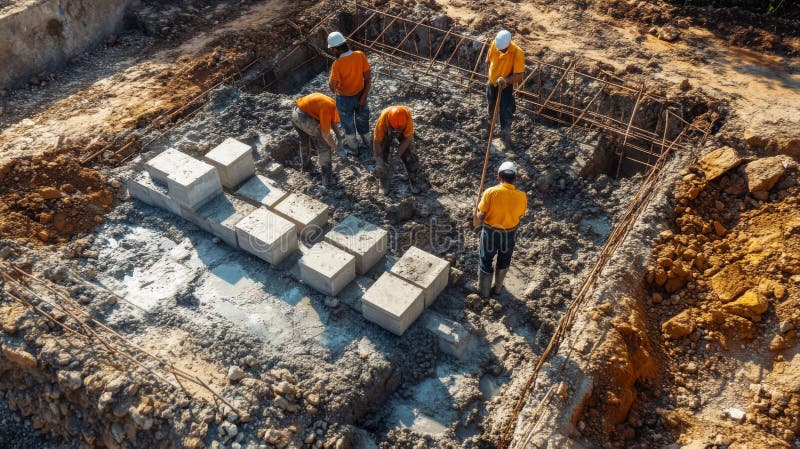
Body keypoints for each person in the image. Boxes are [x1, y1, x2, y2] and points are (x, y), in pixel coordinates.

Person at [475, 161, 527, 298]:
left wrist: (477, 214)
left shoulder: (490, 192)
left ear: (499, 177)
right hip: (510, 233)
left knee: (485, 259)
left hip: (491, 232)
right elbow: (520, 214)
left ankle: (483, 293)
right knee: (504, 259)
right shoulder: (522, 196)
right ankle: (497, 290)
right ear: (515, 178)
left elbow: (481, 216)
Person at [327, 31, 372, 154]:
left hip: (344, 99)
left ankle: (354, 149)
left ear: (335, 49)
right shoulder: (360, 55)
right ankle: (368, 144)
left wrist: (330, 80)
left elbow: (332, 87)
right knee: (362, 120)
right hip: (360, 94)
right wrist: (363, 98)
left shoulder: (337, 64)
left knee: (348, 124)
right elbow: (368, 78)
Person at [485, 29, 525, 151]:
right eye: (499, 49)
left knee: (505, 111)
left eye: (502, 50)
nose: (500, 51)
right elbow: (488, 61)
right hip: (492, 83)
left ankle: (505, 137)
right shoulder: (494, 44)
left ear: (508, 45)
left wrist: (505, 80)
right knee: (491, 107)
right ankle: (489, 131)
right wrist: (491, 77)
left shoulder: (517, 53)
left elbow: (519, 76)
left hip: (505, 87)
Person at [291, 92, 342, 185]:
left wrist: (339, 137)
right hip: (305, 119)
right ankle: (327, 180)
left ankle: (305, 166)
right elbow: (326, 135)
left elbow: (332, 122)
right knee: (325, 147)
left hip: (296, 114)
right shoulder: (329, 108)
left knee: (304, 141)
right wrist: (335, 148)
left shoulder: (329, 102)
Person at [372, 106, 425, 195]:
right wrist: (379, 159)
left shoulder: (407, 118)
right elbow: (377, 141)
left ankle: (413, 178)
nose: (397, 131)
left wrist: (396, 157)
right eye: (396, 129)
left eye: (399, 129)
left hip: (404, 132)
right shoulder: (383, 121)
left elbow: (407, 139)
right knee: (383, 153)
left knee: (411, 155)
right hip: (387, 131)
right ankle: (383, 179)